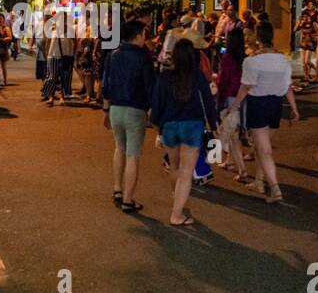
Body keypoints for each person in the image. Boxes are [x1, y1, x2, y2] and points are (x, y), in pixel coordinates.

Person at [228, 21, 299, 204]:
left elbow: (246, 87)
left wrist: (234, 106)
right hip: (275, 105)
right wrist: (294, 108)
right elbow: (287, 86)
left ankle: (275, 188)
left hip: (258, 105)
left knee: (264, 150)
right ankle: (259, 181)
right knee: (261, 147)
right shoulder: (282, 59)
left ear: (257, 38)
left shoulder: (252, 61)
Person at [150, 39, 217, 227]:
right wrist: (214, 123)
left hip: (170, 126)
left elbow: (156, 105)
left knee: (174, 167)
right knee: (187, 172)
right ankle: (177, 214)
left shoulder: (165, 77)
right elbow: (208, 103)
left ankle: (176, 199)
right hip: (192, 126)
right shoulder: (197, 76)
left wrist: (157, 126)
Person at [101, 19, 155, 213]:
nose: (144, 38)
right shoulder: (143, 57)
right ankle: (128, 199)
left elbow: (105, 85)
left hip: (115, 109)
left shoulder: (113, 55)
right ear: (138, 35)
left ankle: (117, 188)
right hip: (135, 109)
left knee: (119, 148)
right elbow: (150, 85)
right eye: (144, 34)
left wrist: (106, 110)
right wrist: (152, 110)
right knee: (133, 154)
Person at [214, 25, 250, 183]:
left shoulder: (227, 58)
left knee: (233, 135)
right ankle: (229, 161)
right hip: (244, 98)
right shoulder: (245, 58)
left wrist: (219, 98)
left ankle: (242, 170)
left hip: (231, 97)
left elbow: (223, 80)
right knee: (234, 131)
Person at [293, 0, 318, 82]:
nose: (305, 17)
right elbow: (295, 29)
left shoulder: (315, 19)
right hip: (303, 41)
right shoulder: (303, 21)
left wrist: (315, 37)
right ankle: (306, 76)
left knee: (307, 61)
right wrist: (299, 23)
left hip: (311, 41)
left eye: (311, 4)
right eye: (308, 5)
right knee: (303, 62)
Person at [75, 9, 97, 102]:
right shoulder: (83, 27)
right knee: (82, 71)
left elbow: (94, 40)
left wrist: (93, 51)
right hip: (82, 51)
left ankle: (89, 93)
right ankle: (87, 90)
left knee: (88, 73)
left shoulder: (92, 27)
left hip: (88, 52)